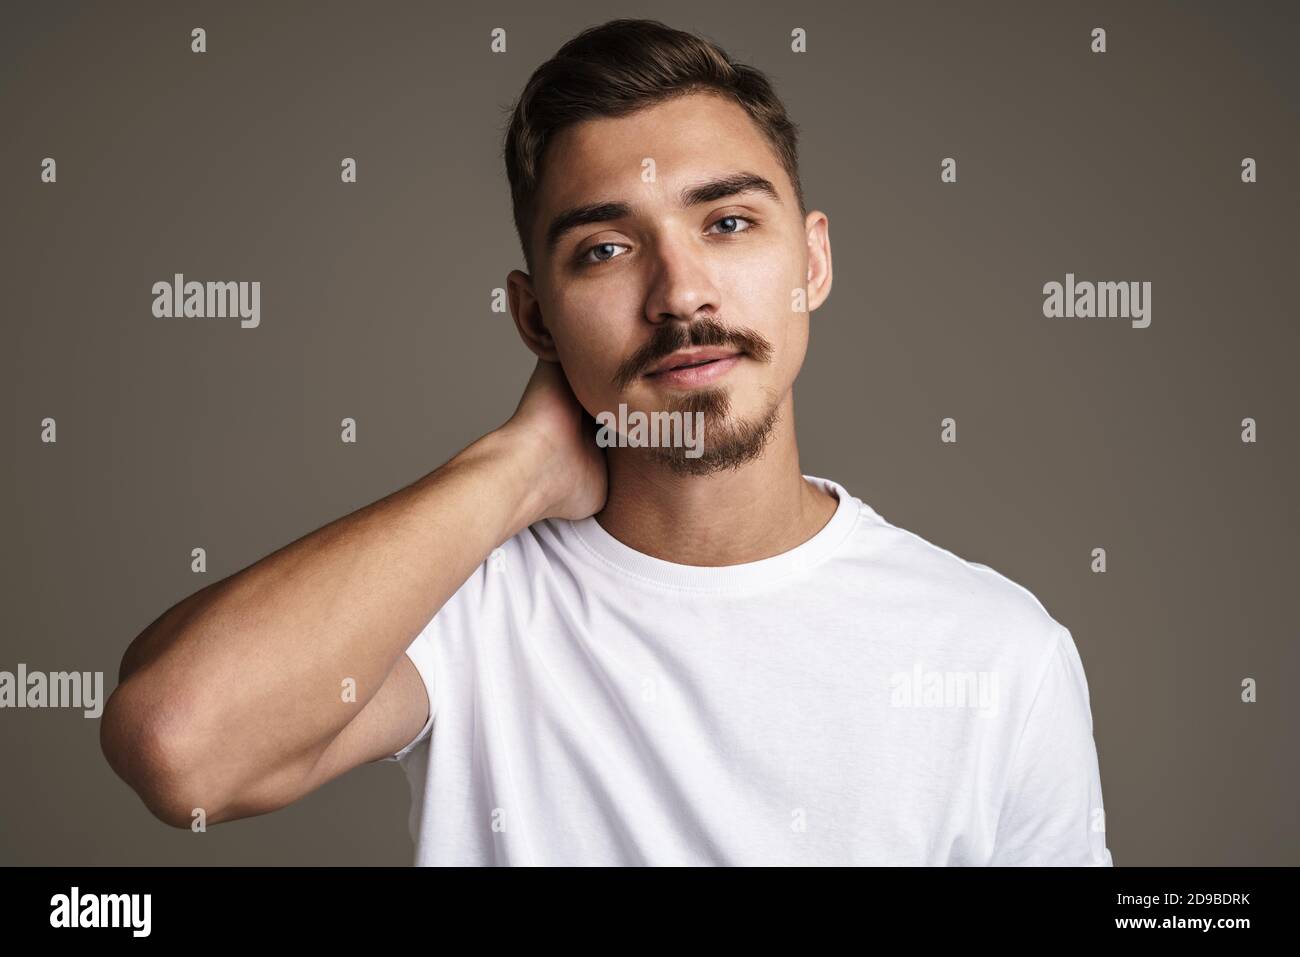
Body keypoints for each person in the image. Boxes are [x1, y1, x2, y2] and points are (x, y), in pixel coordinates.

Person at [102, 18, 1113, 866]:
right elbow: (176, 741)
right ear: (535, 321)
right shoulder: (467, 603)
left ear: (810, 261)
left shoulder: (996, 651)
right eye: (606, 248)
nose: (680, 294)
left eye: (725, 223)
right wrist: (512, 468)